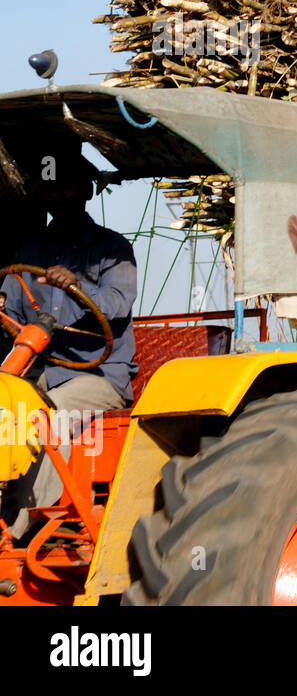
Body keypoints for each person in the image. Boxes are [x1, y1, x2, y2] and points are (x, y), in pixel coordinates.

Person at [1, 148, 137, 539]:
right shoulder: (30, 249)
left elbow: (116, 302)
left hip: (98, 375)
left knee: (44, 416)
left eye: (67, 190)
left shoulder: (112, 249)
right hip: (42, 369)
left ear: (85, 192)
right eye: (50, 191)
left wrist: (78, 287)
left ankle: (22, 529)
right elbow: (11, 304)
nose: (58, 198)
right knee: (6, 403)